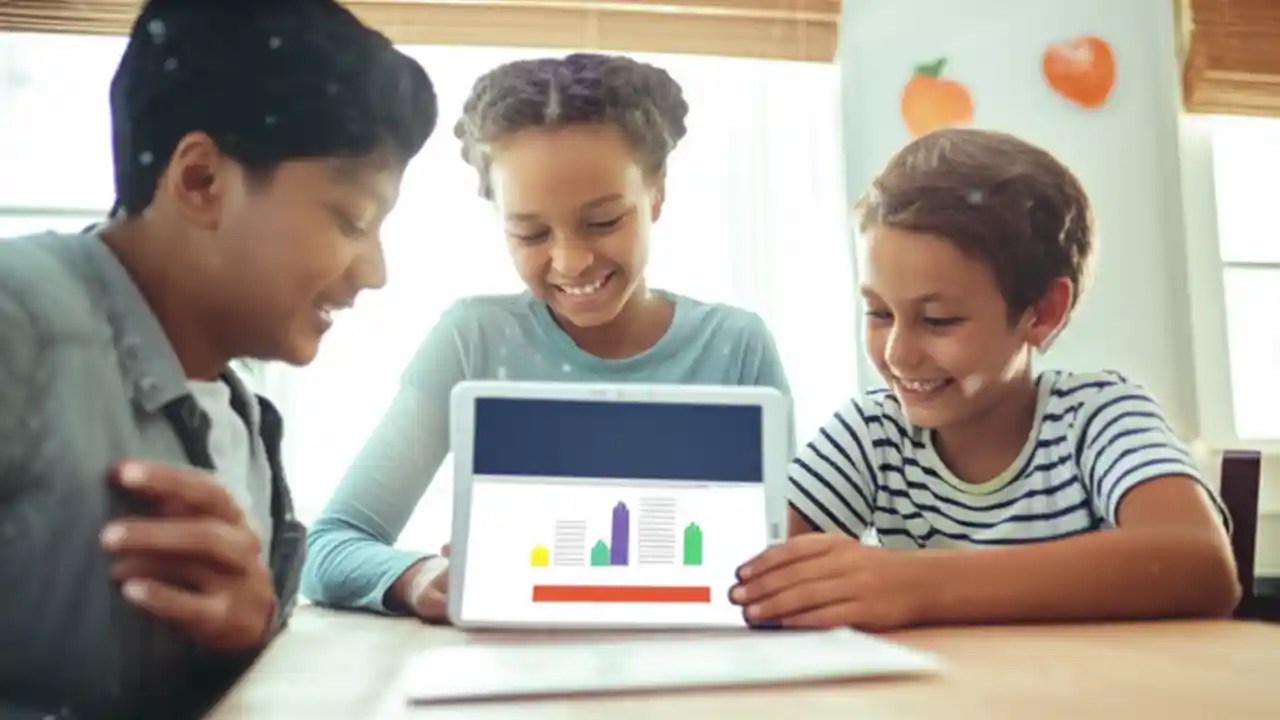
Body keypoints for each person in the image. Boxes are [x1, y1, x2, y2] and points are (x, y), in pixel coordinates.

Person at [0, 1, 437, 717]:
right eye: (353, 219)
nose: (375, 271)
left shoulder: (241, 420)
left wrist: (243, 642)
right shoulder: (18, 324)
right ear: (201, 179)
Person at [301, 52, 791, 622]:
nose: (571, 261)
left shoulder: (736, 344)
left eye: (604, 221)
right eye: (529, 232)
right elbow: (329, 544)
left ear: (655, 194)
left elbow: (782, 558)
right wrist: (419, 577)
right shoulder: (473, 339)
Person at [729, 128, 1239, 629]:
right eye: (880, 314)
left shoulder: (1097, 416)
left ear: (1041, 313)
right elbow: (745, 573)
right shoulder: (871, 434)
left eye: (939, 321)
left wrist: (918, 585)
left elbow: (1201, 564)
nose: (898, 354)